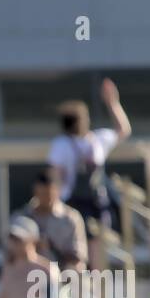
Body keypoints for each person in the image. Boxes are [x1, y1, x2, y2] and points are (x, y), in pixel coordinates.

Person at [48, 79, 131, 267]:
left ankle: (81, 280)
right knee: (96, 246)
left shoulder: (60, 145)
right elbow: (123, 130)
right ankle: (96, 280)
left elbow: (55, 176)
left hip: (71, 202)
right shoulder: (97, 140)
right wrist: (113, 103)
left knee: (74, 248)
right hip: (98, 202)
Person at [16, 168, 88, 271]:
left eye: (48, 195)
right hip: (30, 279)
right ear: (35, 192)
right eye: (41, 194)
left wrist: (51, 247)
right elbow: (9, 253)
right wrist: (30, 247)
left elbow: (78, 258)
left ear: (57, 192)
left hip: (64, 279)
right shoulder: (22, 217)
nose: (45, 199)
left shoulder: (71, 218)